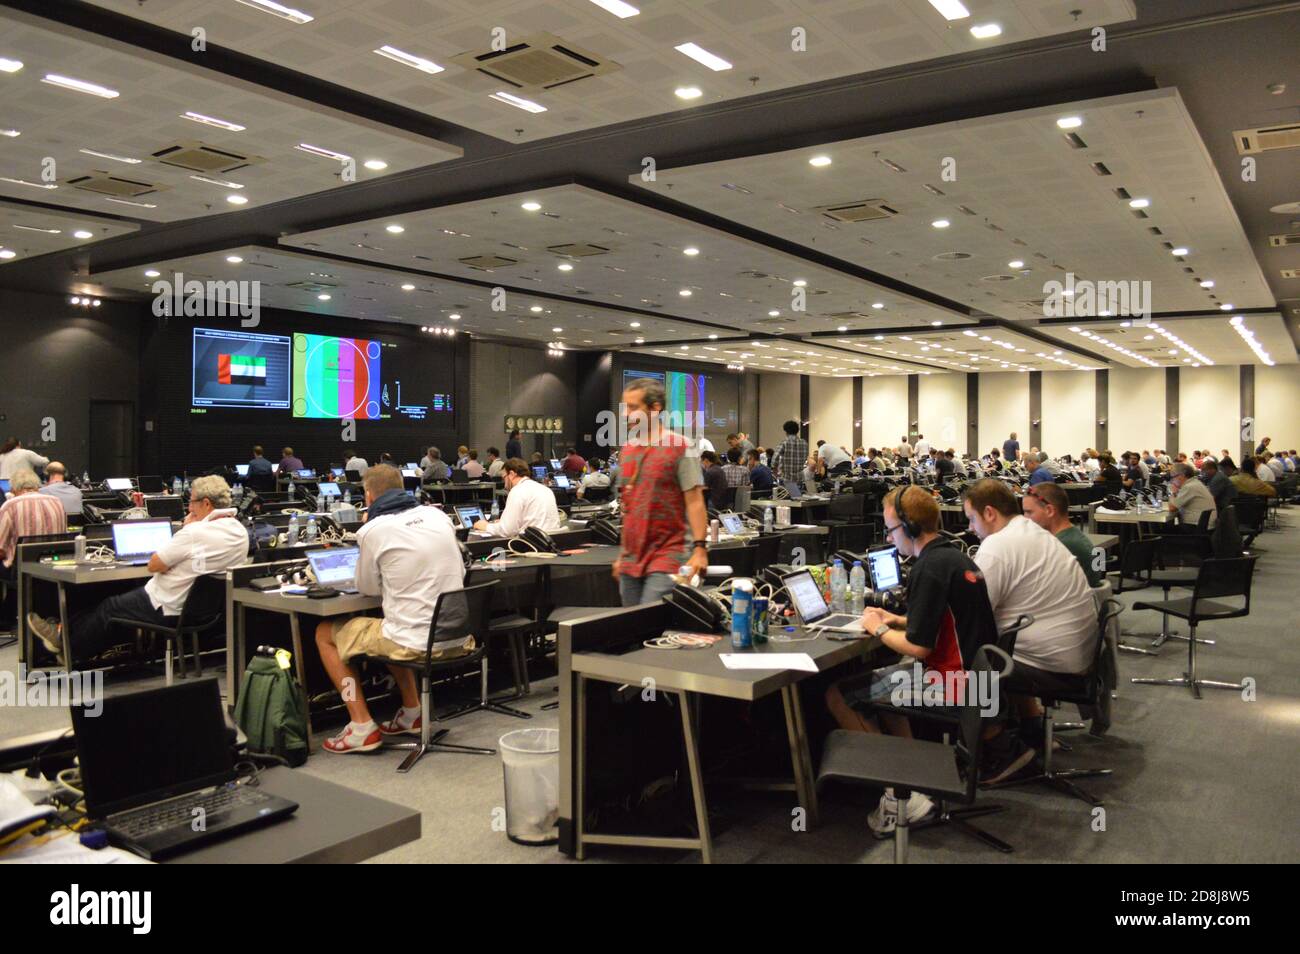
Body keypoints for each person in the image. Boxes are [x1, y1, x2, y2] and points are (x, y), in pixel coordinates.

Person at [824, 485, 1000, 832]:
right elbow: (944, 621)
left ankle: (901, 793)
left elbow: (920, 647)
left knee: (840, 694)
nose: (890, 539)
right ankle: (915, 778)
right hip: (978, 684)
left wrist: (876, 628)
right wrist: (898, 620)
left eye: (890, 530)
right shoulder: (953, 557)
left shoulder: (928, 569)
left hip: (952, 685)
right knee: (885, 681)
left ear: (911, 527)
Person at [312, 465, 471, 753]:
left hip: (415, 642)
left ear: (368, 496)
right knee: (388, 624)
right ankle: (412, 713)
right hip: (458, 637)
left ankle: (361, 726)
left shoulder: (373, 530)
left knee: (326, 633)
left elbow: (368, 588)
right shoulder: (438, 516)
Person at [28, 476, 246, 664]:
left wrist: (187, 527)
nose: (189, 508)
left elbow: (154, 565)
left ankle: (70, 651)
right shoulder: (239, 531)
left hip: (166, 606)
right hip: (203, 611)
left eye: (191, 502)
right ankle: (60, 633)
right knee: (104, 607)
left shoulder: (194, 532)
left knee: (108, 606)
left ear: (206, 504)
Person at [962, 478, 1097, 780]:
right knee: (1007, 637)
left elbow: (973, 614)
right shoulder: (1032, 530)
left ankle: (1001, 752)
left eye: (972, 519)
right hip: (1078, 654)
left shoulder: (997, 546)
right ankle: (1032, 730)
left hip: (1056, 664)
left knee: (973, 658)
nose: (971, 528)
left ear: (989, 513)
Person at [613, 377, 708, 606]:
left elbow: (695, 502)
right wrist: (622, 554)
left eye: (634, 408)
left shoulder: (681, 446)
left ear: (655, 408)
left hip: (670, 555)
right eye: (626, 408)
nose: (627, 415)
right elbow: (629, 507)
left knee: (652, 623)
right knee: (634, 629)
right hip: (632, 559)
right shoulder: (627, 450)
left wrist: (700, 550)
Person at [1022, 482, 1102, 587]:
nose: (1025, 518)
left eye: (1029, 512)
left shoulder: (1062, 545)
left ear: (1049, 510)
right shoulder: (1071, 537)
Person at [474, 458, 564, 537]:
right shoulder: (546, 489)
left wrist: (485, 526)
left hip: (530, 546)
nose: (505, 484)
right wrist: (504, 522)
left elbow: (507, 531)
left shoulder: (517, 491)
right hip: (549, 542)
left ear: (512, 474)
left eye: (504, 477)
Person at [0, 468, 67, 571]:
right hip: (53, 565)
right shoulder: (57, 502)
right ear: (37, 485)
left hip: (19, 568)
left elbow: (1, 550)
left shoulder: (10, 506)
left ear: (13, 489)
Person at [1166, 462, 1216, 529]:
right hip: (1204, 526)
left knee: (1162, 530)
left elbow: (1172, 508)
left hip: (1195, 528)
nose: (1172, 480)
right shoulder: (1195, 483)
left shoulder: (1189, 487)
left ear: (1181, 476)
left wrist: (1172, 492)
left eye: (1173, 477)